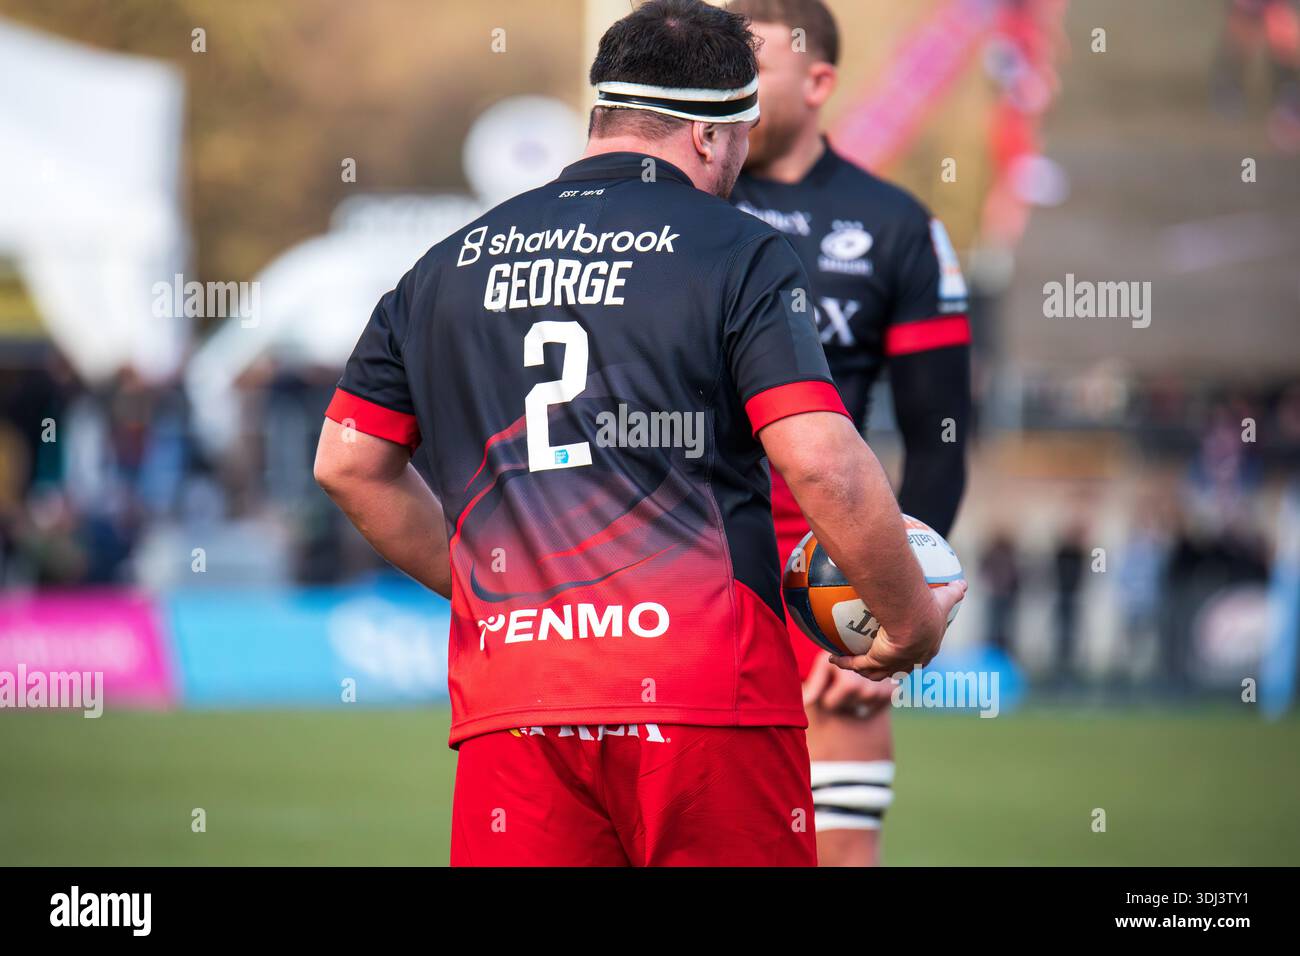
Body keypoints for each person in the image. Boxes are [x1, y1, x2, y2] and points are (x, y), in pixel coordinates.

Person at [314, 0, 962, 867]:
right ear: (708, 135)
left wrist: (497, 584)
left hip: (516, 699)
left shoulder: (446, 263)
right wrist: (909, 621)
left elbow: (349, 463)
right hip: (703, 693)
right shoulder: (740, 248)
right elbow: (821, 462)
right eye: (741, 135)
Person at [728, 0, 972, 865]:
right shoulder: (675, 212)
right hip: (683, 552)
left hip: (819, 563)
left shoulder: (899, 226)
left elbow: (939, 436)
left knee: (835, 844)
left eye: (746, 62)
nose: (725, 85)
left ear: (819, 79)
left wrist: (884, 596)